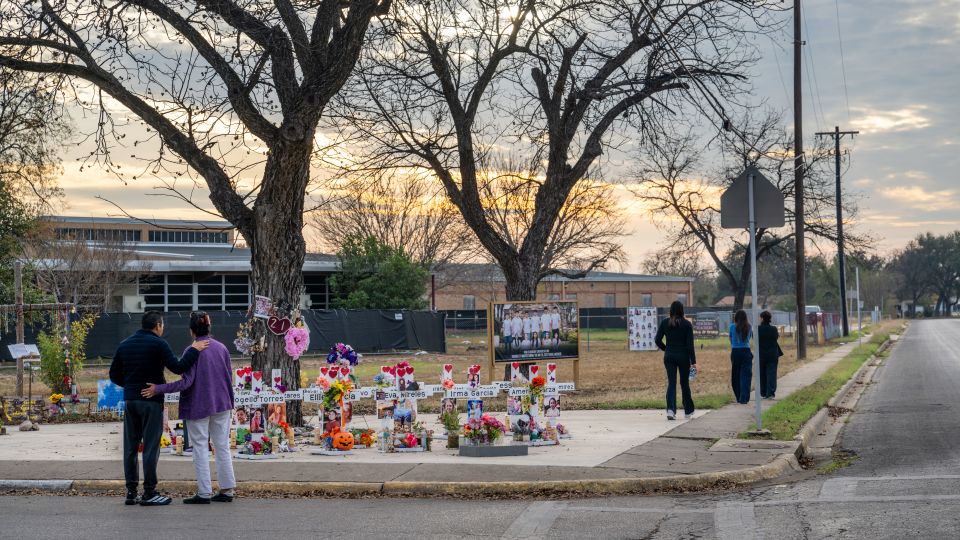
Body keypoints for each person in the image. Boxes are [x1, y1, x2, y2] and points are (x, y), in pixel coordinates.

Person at [108, 311, 209, 507]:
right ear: (158, 326)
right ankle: (149, 492)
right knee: (150, 448)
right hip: (152, 402)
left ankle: (131, 492)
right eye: (162, 326)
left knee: (130, 447)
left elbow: (113, 375)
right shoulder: (159, 344)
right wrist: (194, 349)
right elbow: (178, 368)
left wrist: (131, 386)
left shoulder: (125, 344)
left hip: (131, 402)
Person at [142, 311, 236, 505]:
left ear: (191, 331)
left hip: (198, 405)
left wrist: (159, 388)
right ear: (209, 328)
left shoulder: (192, 351)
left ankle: (204, 493)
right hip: (222, 404)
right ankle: (227, 490)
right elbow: (228, 377)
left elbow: (186, 383)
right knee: (222, 446)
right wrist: (230, 402)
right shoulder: (222, 348)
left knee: (200, 447)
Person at [655, 301, 697, 420]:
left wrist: (666, 349)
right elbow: (690, 346)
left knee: (671, 383)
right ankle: (688, 411)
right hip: (683, 357)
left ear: (671, 310)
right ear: (682, 310)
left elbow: (657, 340)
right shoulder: (687, 324)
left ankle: (670, 410)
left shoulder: (664, 323)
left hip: (669, 357)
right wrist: (693, 361)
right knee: (684, 384)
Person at [729, 310, 754, 404]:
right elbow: (748, 339)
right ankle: (744, 398)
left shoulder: (732, 326)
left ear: (736, 317)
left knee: (736, 375)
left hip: (735, 352)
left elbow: (731, 339)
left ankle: (738, 396)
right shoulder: (749, 326)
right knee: (746, 376)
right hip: (746, 351)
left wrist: (734, 345)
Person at [758, 311, 784, 399]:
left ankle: (764, 392)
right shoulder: (773, 329)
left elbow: (755, 339)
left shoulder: (758, 329)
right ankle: (771, 392)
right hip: (773, 354)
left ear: (762, 318)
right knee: (771, 373)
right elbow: (776, 337)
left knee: (762, 373)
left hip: (761, 354)